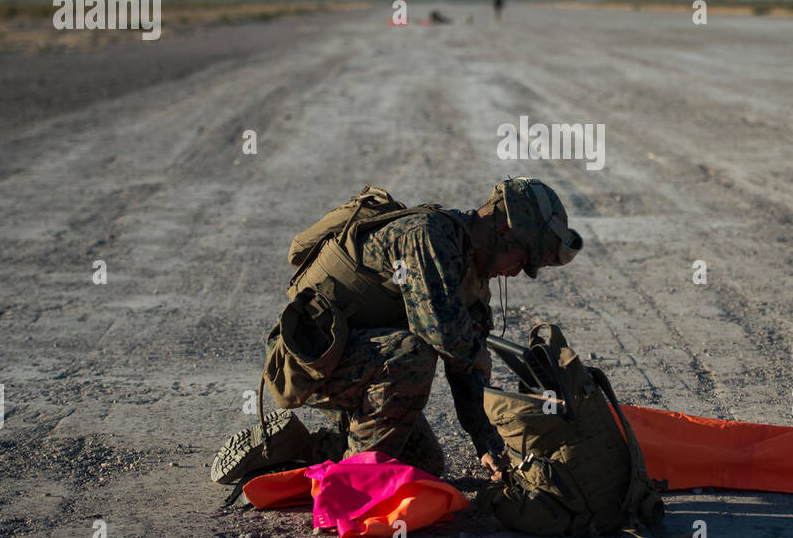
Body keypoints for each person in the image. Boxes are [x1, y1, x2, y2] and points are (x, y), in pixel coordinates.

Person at [212, 178, 582, 486]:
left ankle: (296, 448)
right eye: (521, 259)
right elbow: (440, 333)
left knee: (422, 465)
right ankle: (355, 482)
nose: (517, 273)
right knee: (413, 353)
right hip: (310, 361)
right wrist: (476, 353)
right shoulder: (429, 237)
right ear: (504, 231)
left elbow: (464, 369)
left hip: (361, 367)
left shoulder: (472, 275)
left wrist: (487, 444)